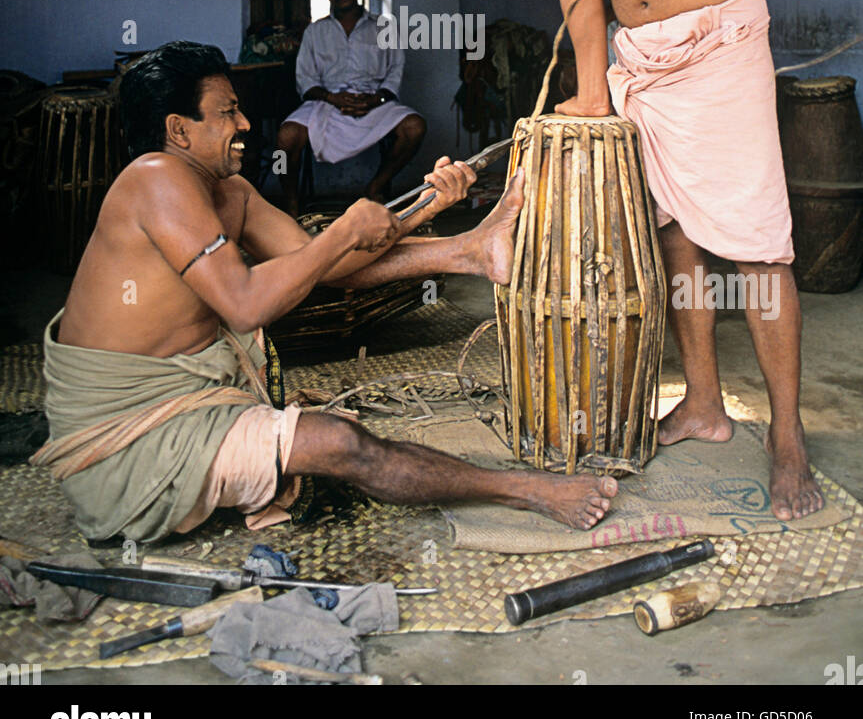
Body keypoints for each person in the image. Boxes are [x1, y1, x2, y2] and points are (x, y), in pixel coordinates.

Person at [33, 41, 617, 544]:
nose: (243, 124)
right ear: (178, 129)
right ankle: (526, 491)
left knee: (334, 433)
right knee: (339, 442)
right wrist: (340, 230)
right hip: (125, 442)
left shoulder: (229, 191)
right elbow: (245, 302)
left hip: (183, 405)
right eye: (227, 112)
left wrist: (434, 210)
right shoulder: (155, 178)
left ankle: (474, 250)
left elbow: (336, 270)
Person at [477, 0, 834, 521]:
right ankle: (703, 402)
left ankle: (786, 436)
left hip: (720, 44)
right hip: (641, 63)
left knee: (755, 248)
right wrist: (592, 88)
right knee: (672, 235)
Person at [277, 0, 425, 214]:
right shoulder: (315, 32)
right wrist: (334, 99)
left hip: (374, 103)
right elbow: (305, 79)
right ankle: (291, 203)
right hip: (327, 103)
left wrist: (375, 100)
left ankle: (375, 187)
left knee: (415, 127)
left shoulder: (384, 27)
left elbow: (394, 72)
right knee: (286, 135)